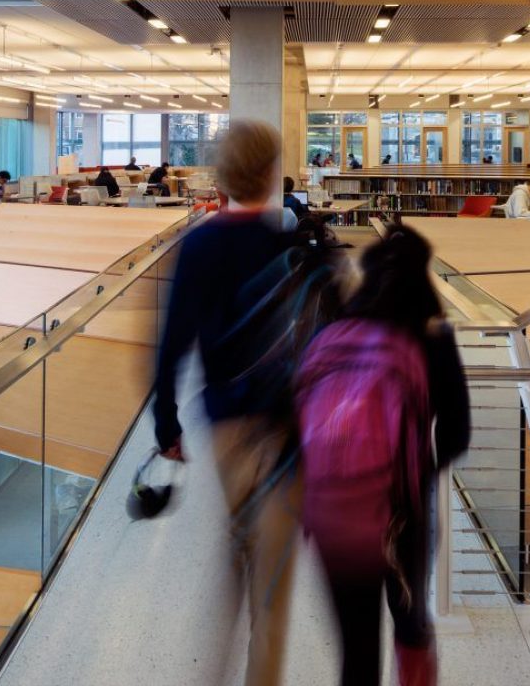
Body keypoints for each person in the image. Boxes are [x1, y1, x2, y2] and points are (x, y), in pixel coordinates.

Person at [154, 121, 328, 686]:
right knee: (273, 588)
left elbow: (174, 339)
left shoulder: (200, 245)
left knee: (240, 542)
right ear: (271, 174)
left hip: (228, 423)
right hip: (288, 425)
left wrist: (166, 423)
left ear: (223, 175)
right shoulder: (291, 239)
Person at [296, 224, 469, 686]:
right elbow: (457, 434)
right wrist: (417, 470)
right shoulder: (434, 335)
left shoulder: (335, 331)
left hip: (334, 514)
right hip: (402, 518)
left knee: (357, 652)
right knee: (411, 627)